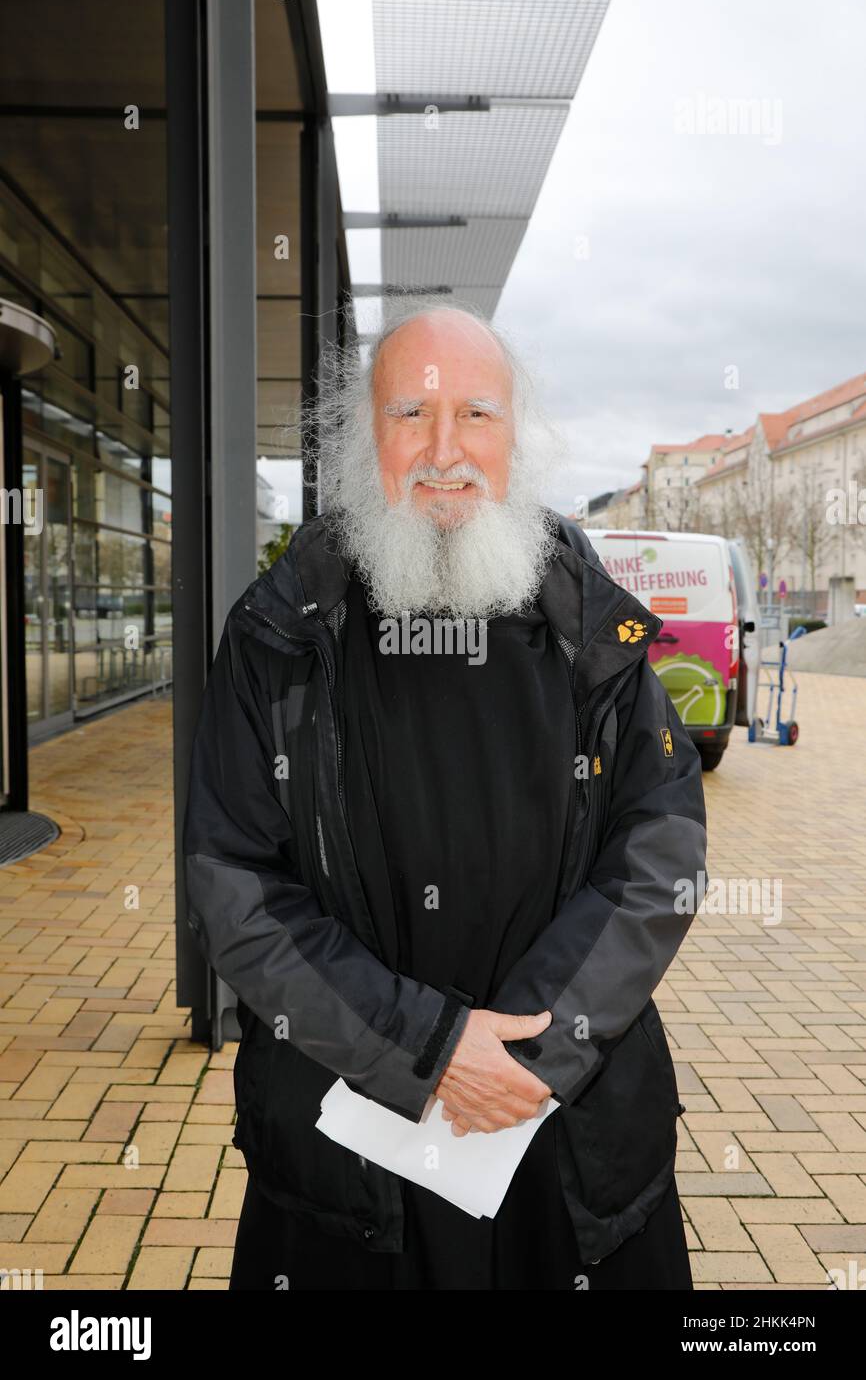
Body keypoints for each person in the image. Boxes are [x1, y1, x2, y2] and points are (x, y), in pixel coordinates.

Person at [182, 303, 708, 1291]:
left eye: (474, 415)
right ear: (362, 439)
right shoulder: (275, 635)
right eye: (407, 415)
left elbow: (662, 845)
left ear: (517, 437)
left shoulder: (592, 631)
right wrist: (424, 1048)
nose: (442, 451)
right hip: (352, 1157)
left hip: (565, 1141)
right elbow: (233, 889)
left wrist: (531, 1049)